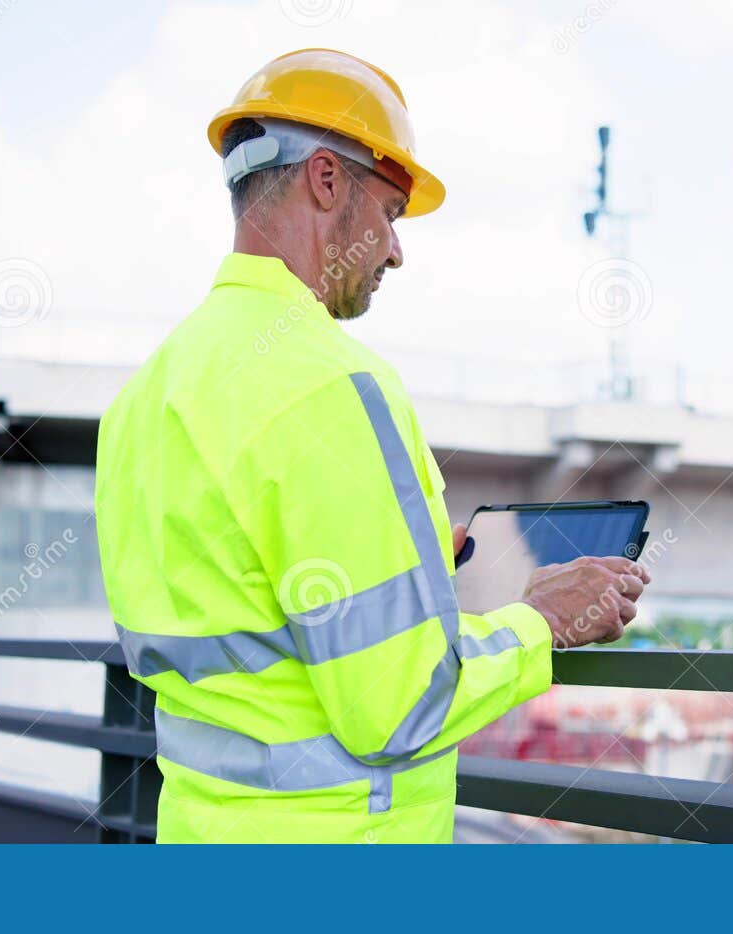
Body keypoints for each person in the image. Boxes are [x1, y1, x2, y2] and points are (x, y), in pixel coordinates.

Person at [94, 48, 650, 843]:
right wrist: (542, 619)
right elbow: (401, 703)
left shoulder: (148, 392)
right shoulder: (329, 382)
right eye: (389, 211)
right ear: (326, 179)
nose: (395, 249)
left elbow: (249, 610)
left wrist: (408, 561)